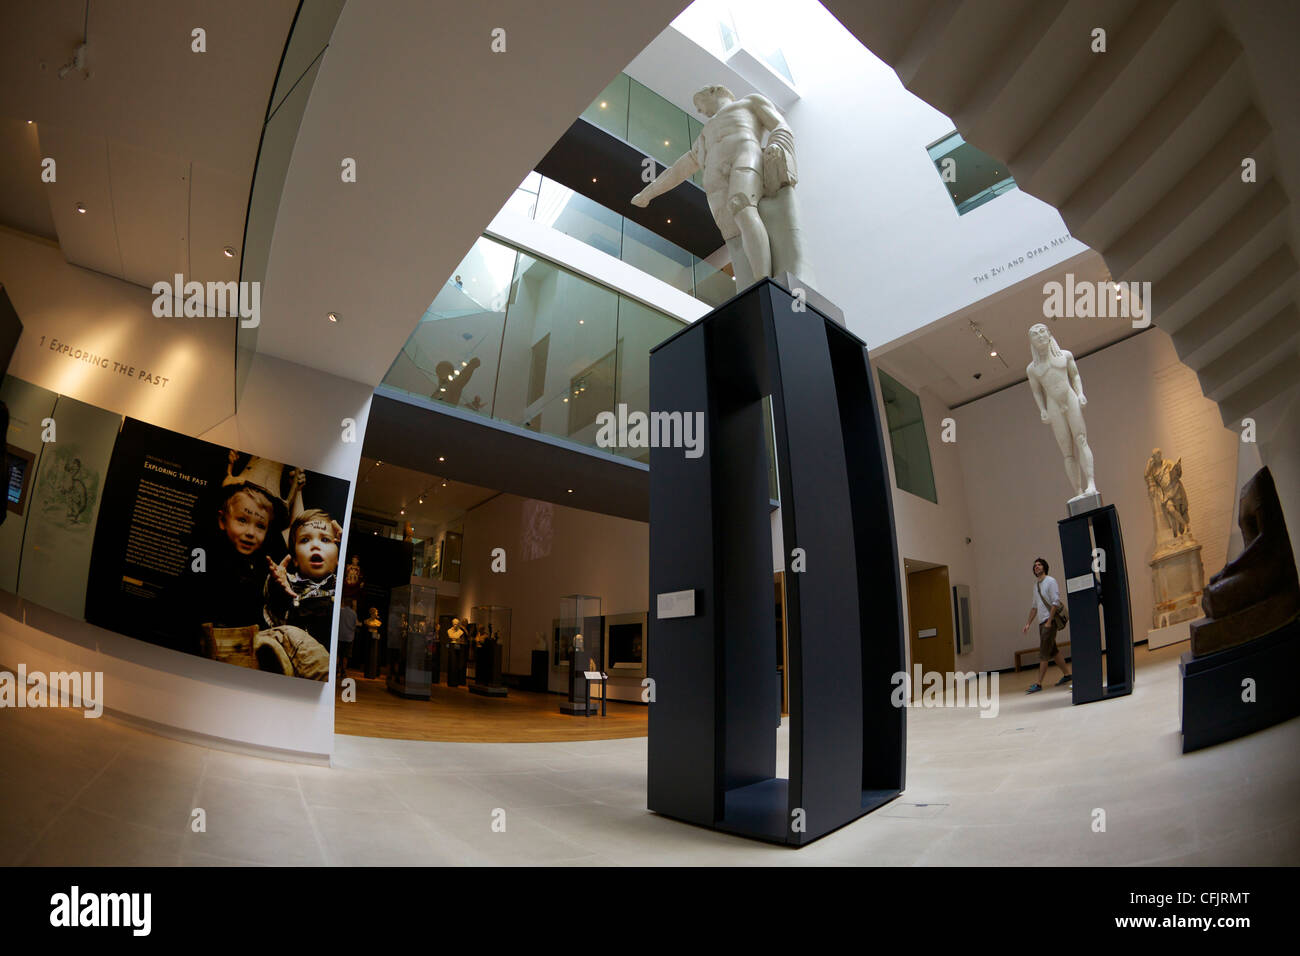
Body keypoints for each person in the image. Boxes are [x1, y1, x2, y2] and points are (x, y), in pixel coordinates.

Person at [631, 84, 811, 288]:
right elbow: (677, 170)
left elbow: (780, 126)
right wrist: (648, 193)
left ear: (713, 91)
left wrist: (777, 145)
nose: (699, 111)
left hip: (745, 155)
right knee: (733, 235)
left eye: (699, 104)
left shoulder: (750, 103)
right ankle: (754, 286)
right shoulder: (703, 137)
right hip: (715, 182)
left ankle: (765, 282)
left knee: (741, 205)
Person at [1026, 324, 1097, 501]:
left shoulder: (1065, 355)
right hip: (1053, 405)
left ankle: (1091, 483)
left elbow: (1075, 375)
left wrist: (1080, 393)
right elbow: (1036, 391)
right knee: (1067, 451)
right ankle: (1078, 491)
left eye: (1042, 331)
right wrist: (1042, 410)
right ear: (1032, 341)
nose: (1040, 336)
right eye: (1035, 334)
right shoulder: (1032, 369)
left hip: (1070, 398)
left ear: (1049, 334)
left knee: (1081, 440)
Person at [264, 508, 341, 651]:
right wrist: (278, 587)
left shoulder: (340, 587)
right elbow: (275, 613)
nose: (315, 545)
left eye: (325, 539)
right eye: (305, 540)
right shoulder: (287, 584)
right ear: (295, 559)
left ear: (338, 557)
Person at [1022, 556, 1071, 693]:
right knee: (1053, 650)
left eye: (1039, 565)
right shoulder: (1036, 585)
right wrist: (1028, 623)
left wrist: (1049, 622)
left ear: (1044, 567)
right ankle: (1067, 674)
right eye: (1035, 565)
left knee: (1043, 653)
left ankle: (1038, 683)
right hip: (1041, 622)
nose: (1036, 567)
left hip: (1049, 622)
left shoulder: (1051, 581)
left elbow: (1055, 601)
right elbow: (1034, 607)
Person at [337, 598, 357, 681]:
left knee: (338, 654)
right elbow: (354, 625)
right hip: (349, 637)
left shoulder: (340, 611)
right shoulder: (353, 613)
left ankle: (336, 669)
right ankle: (343, 671)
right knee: (345, 655)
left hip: (340, 635)